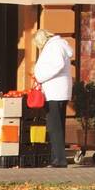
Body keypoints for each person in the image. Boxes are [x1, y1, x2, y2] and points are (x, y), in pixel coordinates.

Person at [32, 28, 73, 168]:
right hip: (58, 91)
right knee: (57, 126)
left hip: (55, 92)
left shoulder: (54, 46)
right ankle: (57, 157)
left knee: (55, 127)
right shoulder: (57, 45)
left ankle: (59, 160)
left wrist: (40, 77)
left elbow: (58, 64)